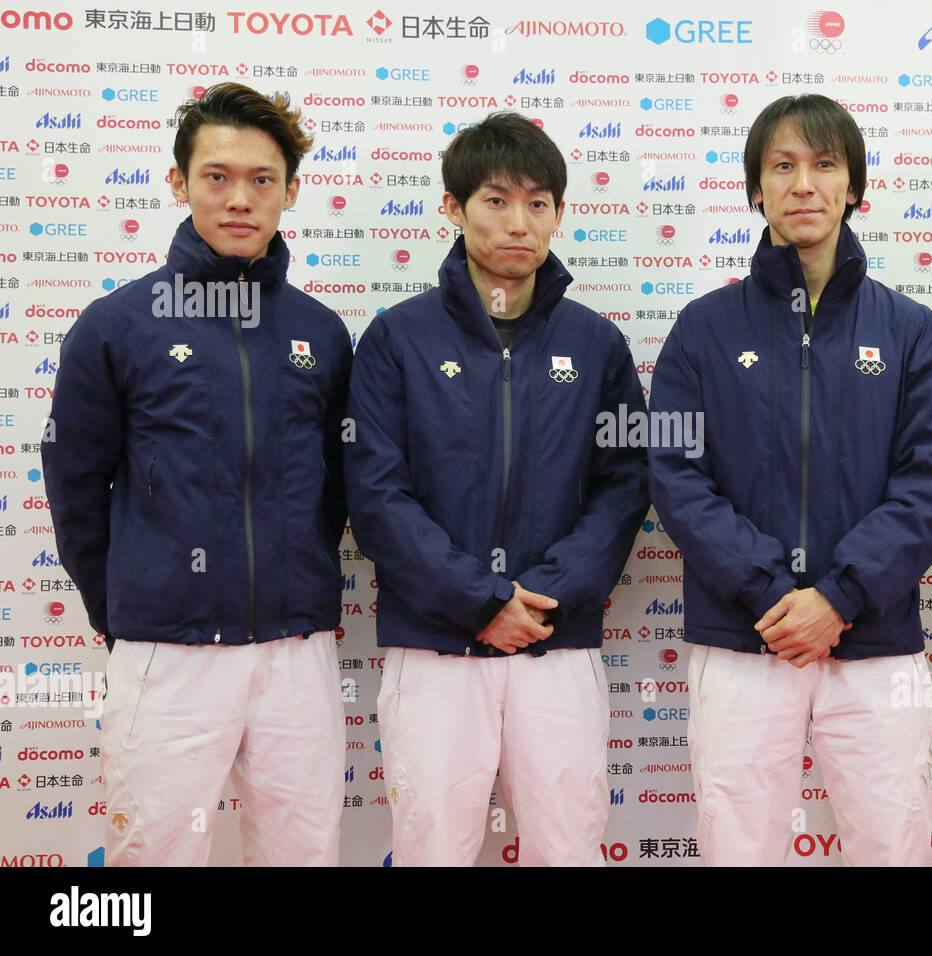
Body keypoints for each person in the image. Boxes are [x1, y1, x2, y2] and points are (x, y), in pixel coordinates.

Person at [41, 83, 353, 865]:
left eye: (261, 179)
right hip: (166, 650)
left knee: (301, 854)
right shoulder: (117, 325)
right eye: (216, 176)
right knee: (154, 858)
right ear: (178, 183)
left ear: (290, 190)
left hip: (296, 650)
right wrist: (125, 603)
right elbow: (76, 484)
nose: (239, 198)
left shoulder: (319, 331)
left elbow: (339, 485)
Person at [647, 94, 932, 866]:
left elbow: (929, 481)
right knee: (739, 846)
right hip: (746, 638)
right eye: (782, 166)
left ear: (855, 186)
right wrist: (769, 594)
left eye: (824, 165)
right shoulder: (703, 328)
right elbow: (677, 475)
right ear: (756, 189)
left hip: (876, 641)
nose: (804, 185)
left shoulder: (909, 329)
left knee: (893, 845)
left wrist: (841, 597)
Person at [344, 112, 649, 867]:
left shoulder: (596, 343)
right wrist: (479, 600)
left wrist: (542, 598)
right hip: (438, 648)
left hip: (555, 640)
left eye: (538, 203)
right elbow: (376, 492)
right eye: (495, 200)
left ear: (559, 213)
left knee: (568, 847)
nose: (519, 222)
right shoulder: (398, 338)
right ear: (453, 207)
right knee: (432, 848)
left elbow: (624, 486)